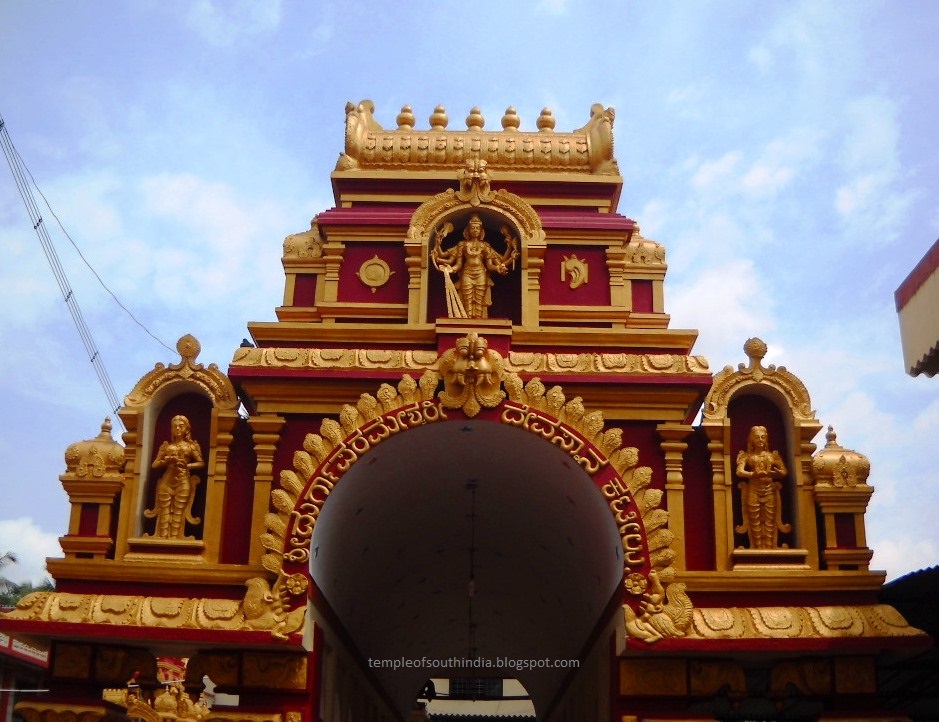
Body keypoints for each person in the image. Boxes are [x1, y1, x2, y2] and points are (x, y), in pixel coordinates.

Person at [431, 214, 517, 319]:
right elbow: (455, 263)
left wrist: (502, 262)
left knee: (479, 302)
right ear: (468, 230)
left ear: (481, 231)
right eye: (472, 228)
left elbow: (492, 264)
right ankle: (467, 322)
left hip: (481, 274)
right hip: (466, 274)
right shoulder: (462, 244)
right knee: (467, 301)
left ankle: (479, 321)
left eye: (477, 228)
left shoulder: (485, 246)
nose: (475, 230)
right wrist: (438, 247)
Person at [145, 414, 204, 539]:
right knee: (164, 512)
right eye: (175, 426)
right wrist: (165, 462)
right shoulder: (166, 446)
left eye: (181, 426)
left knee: (178, 513)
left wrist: (187, 466)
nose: (177, 429)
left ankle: (174, 539)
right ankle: (162, 538)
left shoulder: (191, 446)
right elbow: (154, 464)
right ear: (171, 429)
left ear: (186, 429)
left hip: (183, 481)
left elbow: (201, 463)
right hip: (166, 481)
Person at [735, 425, 790, 549]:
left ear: (766, 439)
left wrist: (776, 473)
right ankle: (757, 549)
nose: (760, 439)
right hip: (753, 490)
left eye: (763, 437)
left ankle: (770, 548)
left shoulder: (773, 456)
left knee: (770, 522)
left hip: (769, 489)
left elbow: (784, 472)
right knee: (754, 522)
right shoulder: (747, 456)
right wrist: (753, 474)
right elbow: (739, 472)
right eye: (757, 437)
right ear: (751, 440)